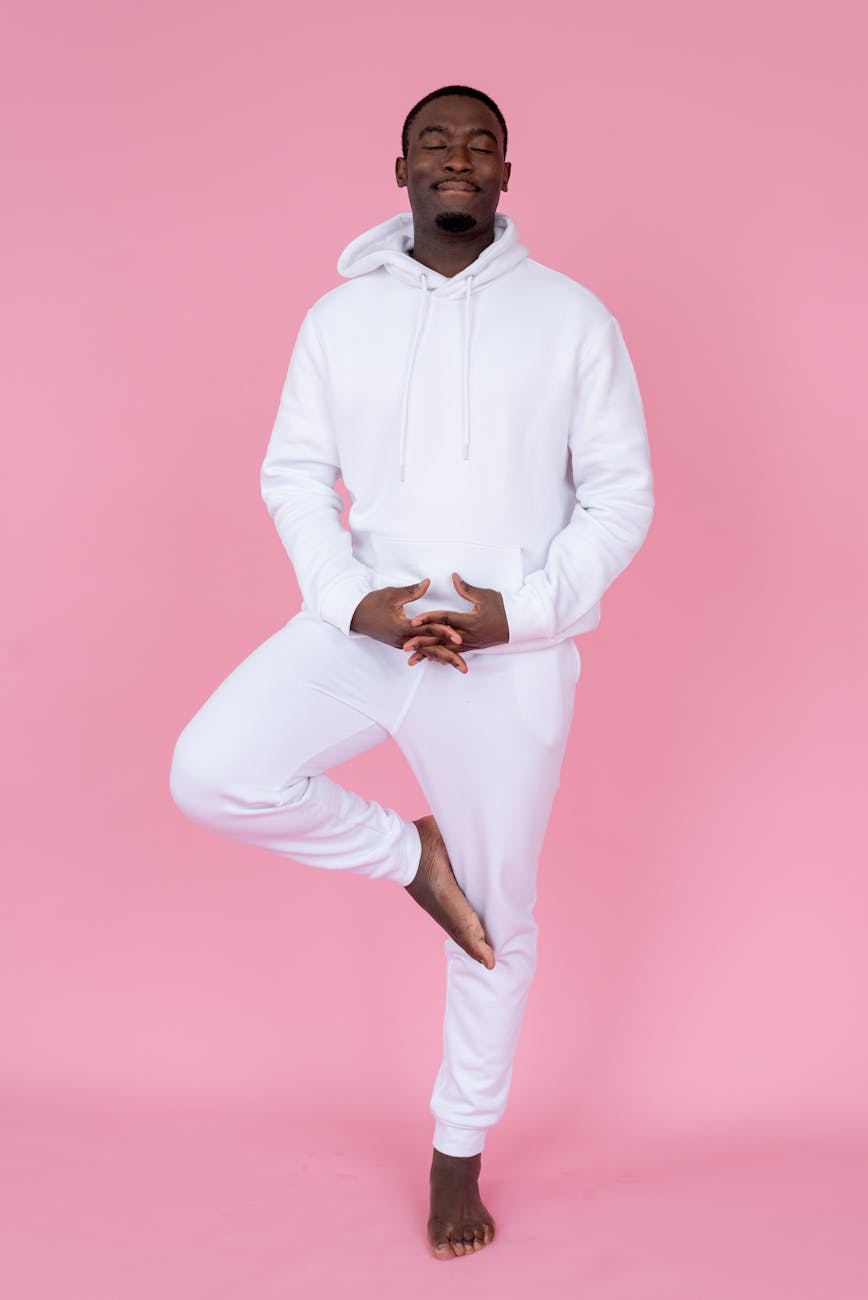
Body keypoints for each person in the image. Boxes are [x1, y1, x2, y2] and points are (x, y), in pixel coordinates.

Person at [169, 83, 654, 1259]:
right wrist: (352, 601)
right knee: (213, 771)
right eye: (434, 141)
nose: (457, 157)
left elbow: (620, 495)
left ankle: (455, 1154)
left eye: (479, 143)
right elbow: (294, 476)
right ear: (399, 171)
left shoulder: (573, 318)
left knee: (497, 919)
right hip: (364, 630)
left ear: (503, 176)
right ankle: (408, 855)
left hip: (507, 657)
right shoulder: (338, 321)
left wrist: (518, 613)